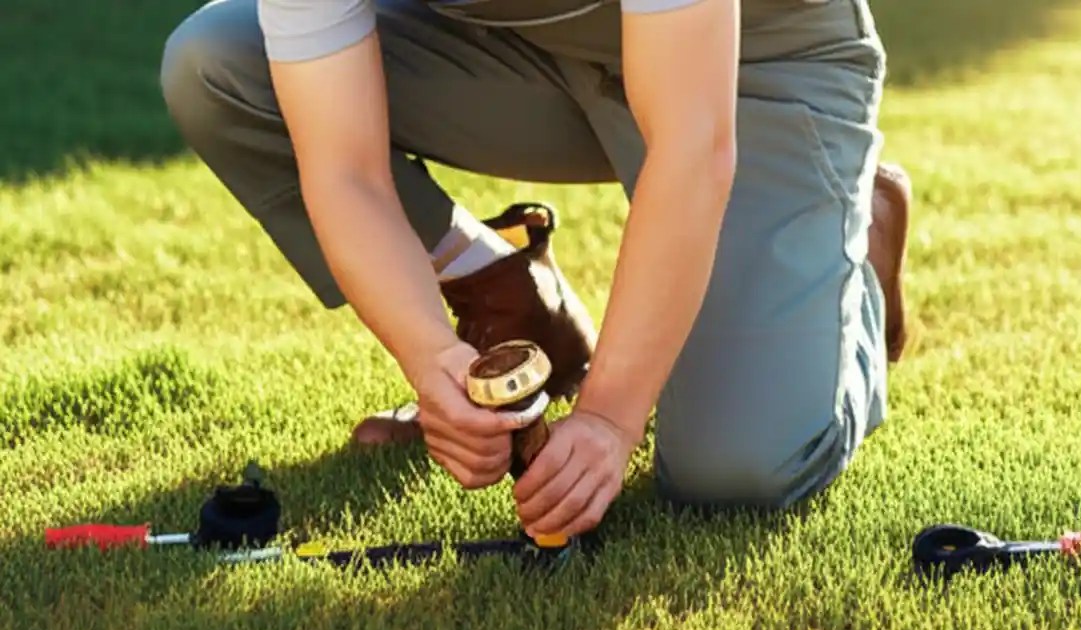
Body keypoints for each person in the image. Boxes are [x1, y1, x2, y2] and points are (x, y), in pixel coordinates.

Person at [158, 0, 912, 542]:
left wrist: (611, 418)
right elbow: (346, 170)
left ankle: (851, 254)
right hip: (519, 58)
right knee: (219, 65)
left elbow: (692, 143)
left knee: (737, 474)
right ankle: (510, 299)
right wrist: (431, 358)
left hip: (752, 68)